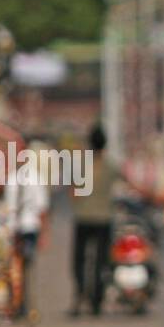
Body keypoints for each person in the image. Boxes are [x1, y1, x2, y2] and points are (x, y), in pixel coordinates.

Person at [71, 125, 117, 316]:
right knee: (101, 261)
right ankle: (97, 300)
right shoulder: (110, 166)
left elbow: (74, 193)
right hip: (104, 219)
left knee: (80, 260)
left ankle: (81, 293)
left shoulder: (82, 165)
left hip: (84, 218)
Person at [4, 139, 51, 318]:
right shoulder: (29, 178)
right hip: (25, 229)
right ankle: (21, 303)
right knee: (22, 269)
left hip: (22, 229)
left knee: (20, 268)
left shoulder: (15, 178)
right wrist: (45, 232)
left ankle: (22, 303)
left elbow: (41, 209)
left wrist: (44, 233)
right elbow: (42, 208)